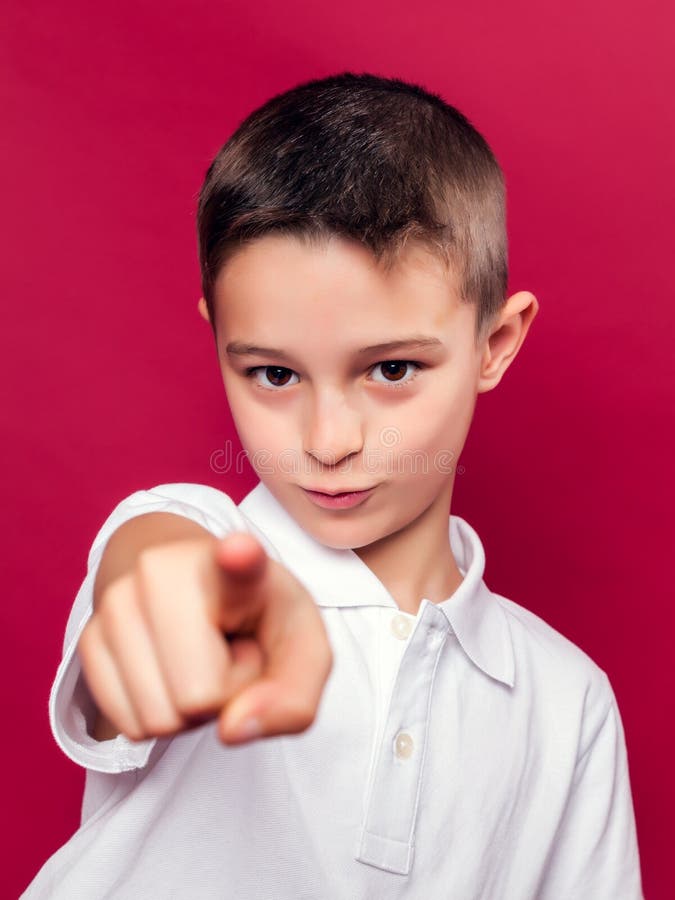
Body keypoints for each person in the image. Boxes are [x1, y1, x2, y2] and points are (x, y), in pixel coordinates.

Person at [22, 72, 644, 898]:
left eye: (391, 369)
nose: (326, 442)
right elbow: (156, 567)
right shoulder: (194, 535)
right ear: (220, 340)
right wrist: (179, 612)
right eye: (274, 374)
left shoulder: (568, 704)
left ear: (494, 344)